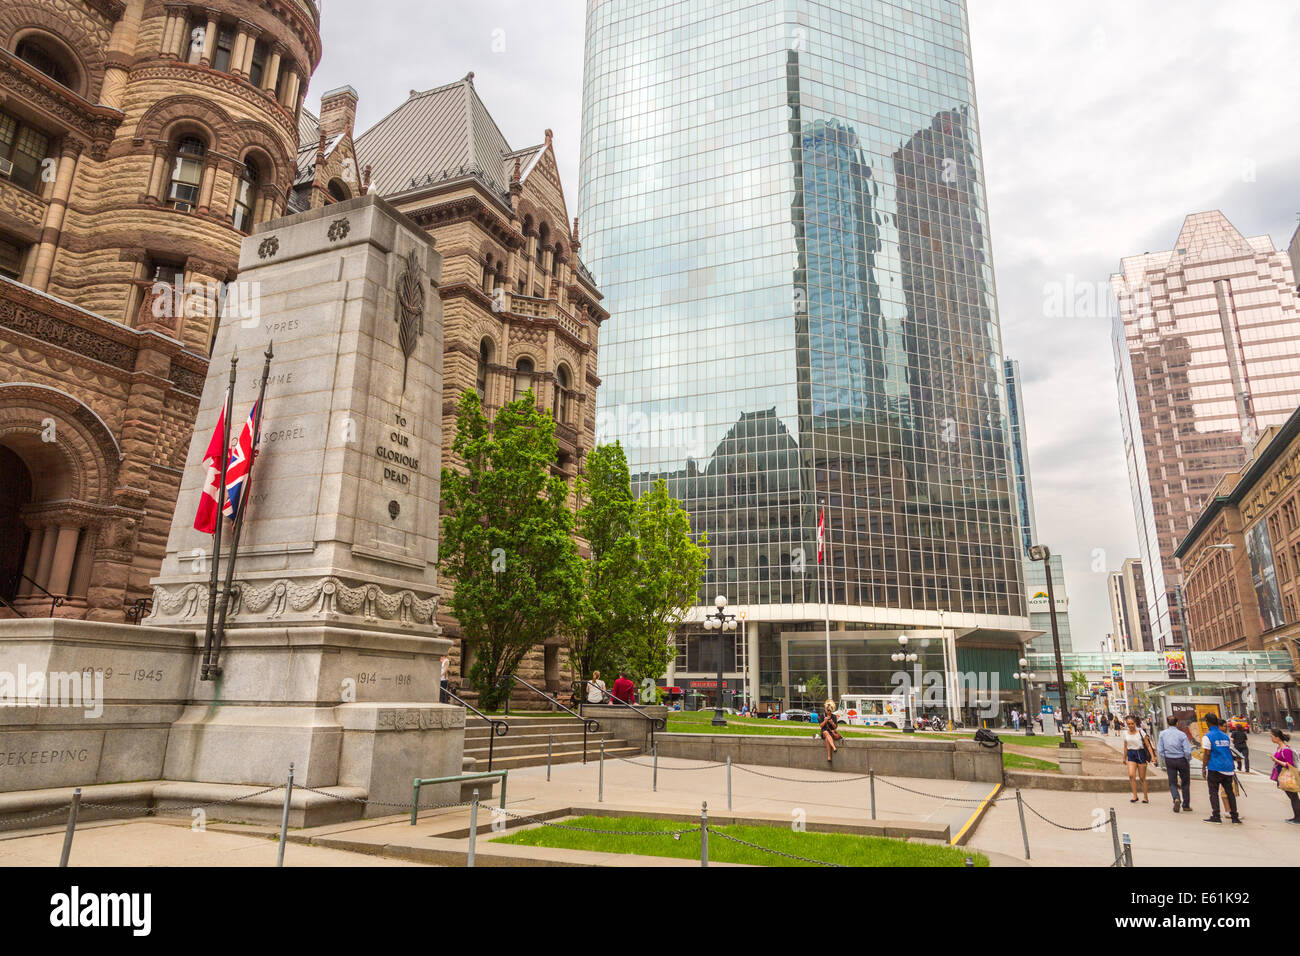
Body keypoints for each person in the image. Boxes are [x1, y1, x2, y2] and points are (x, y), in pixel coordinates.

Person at [1200, 713, 1242, 824]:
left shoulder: (1207, 736)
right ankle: (1235, 817)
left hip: (1215, 768)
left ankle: (1216, 816)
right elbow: (1227, 751)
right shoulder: (1225, 736)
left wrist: (1204, 767)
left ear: (1208, 723)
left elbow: (1207, 753)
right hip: (1228, 768)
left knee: (1213, 792)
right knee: (1230, 792)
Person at [1156, 715, 1193, 813]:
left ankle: (1176, 798)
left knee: (1172, 782)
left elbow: (1160, 749)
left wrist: (1165, 758)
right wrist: (1187, 759)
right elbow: (1187, 751)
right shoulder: (1182, 735)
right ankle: (1186, 805)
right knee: (1185, 782)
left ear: (1167, 723)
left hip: (1169, 760)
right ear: (1177, 723)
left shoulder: (1162, 734)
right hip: (1181, 759)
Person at [1268, 729, 1300, 824]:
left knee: (1293, 797)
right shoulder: (1279, 748)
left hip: (1288, 776)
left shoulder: (1285, 749)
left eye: (1272, 736)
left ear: (1277, 737)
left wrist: (1276, 760)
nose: (1271, 738)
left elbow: (1289, 764)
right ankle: (1296, 817)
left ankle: (1298, 818)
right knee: (1292, 797)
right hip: (1282, 774)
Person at [1122, 715, 1153, 803]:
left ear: (1135, 723)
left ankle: (1145, 796)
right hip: (1131, 754)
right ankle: (1135, 796)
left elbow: (1148, 745)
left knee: (1142, 777)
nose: (1130, 725)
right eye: (1128, 724)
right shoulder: (1125, 733)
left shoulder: (1141, 732)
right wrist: (1124, 758)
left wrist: (1153, 757)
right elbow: (1125, 746)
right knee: (1131, 775)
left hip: (1140, 753)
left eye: (1132, 723)